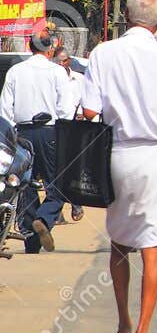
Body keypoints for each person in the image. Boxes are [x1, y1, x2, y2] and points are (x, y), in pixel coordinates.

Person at [79, 0, 157, 333]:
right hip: (155, 157)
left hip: (118, 156)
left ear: (126, 15)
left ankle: (123, 324)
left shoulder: (102, 54)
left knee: (120, 244)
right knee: (152, 249)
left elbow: (89, 113)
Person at [0, 22, 69, 252]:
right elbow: (66, 109)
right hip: (50, 131)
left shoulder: (15, 72)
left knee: (26, 183)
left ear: (30, 48)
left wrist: (13, 135)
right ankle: (45, 218)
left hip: (22, 133)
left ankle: (32, 239)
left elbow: (5, 111)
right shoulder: (57, 71)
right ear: (49, 49)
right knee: (57, 183)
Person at [54, 43, 87, 225]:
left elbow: (86, 99)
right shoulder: (50, 78)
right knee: (58, 169)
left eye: (64, 61)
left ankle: (76, 203)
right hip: (56, 128)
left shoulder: (79, 79)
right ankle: (57, 211)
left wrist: (82, 113)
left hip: (75, 126)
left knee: (74, 167)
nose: (61, 65)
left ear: (69, 62)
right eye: (58, 61)